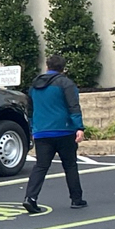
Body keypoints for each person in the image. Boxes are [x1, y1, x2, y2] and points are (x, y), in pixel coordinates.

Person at [23, 54, 87, 212]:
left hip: (42, 132)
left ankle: (30, 197)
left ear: (47, 66)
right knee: (70, 165)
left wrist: (33, 127)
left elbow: (30, 110)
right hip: (64, 130)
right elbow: (73, 106)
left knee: (41, 166)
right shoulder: (66, 83)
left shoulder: (34, 85)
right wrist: (79, 127)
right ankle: (76, 199)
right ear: (63, 68)